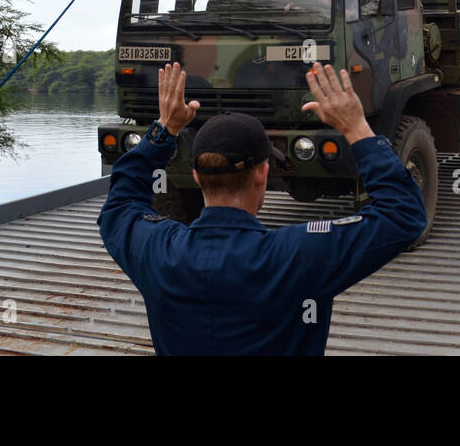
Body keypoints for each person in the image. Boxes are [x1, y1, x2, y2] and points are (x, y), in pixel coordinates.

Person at [97, 61, 427, 355]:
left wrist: (164, 131)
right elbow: (404, 215)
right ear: (262, 173)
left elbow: (119, 204)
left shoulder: (158, 252)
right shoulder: (300, 255)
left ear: (197, 176)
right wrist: (357, 129)